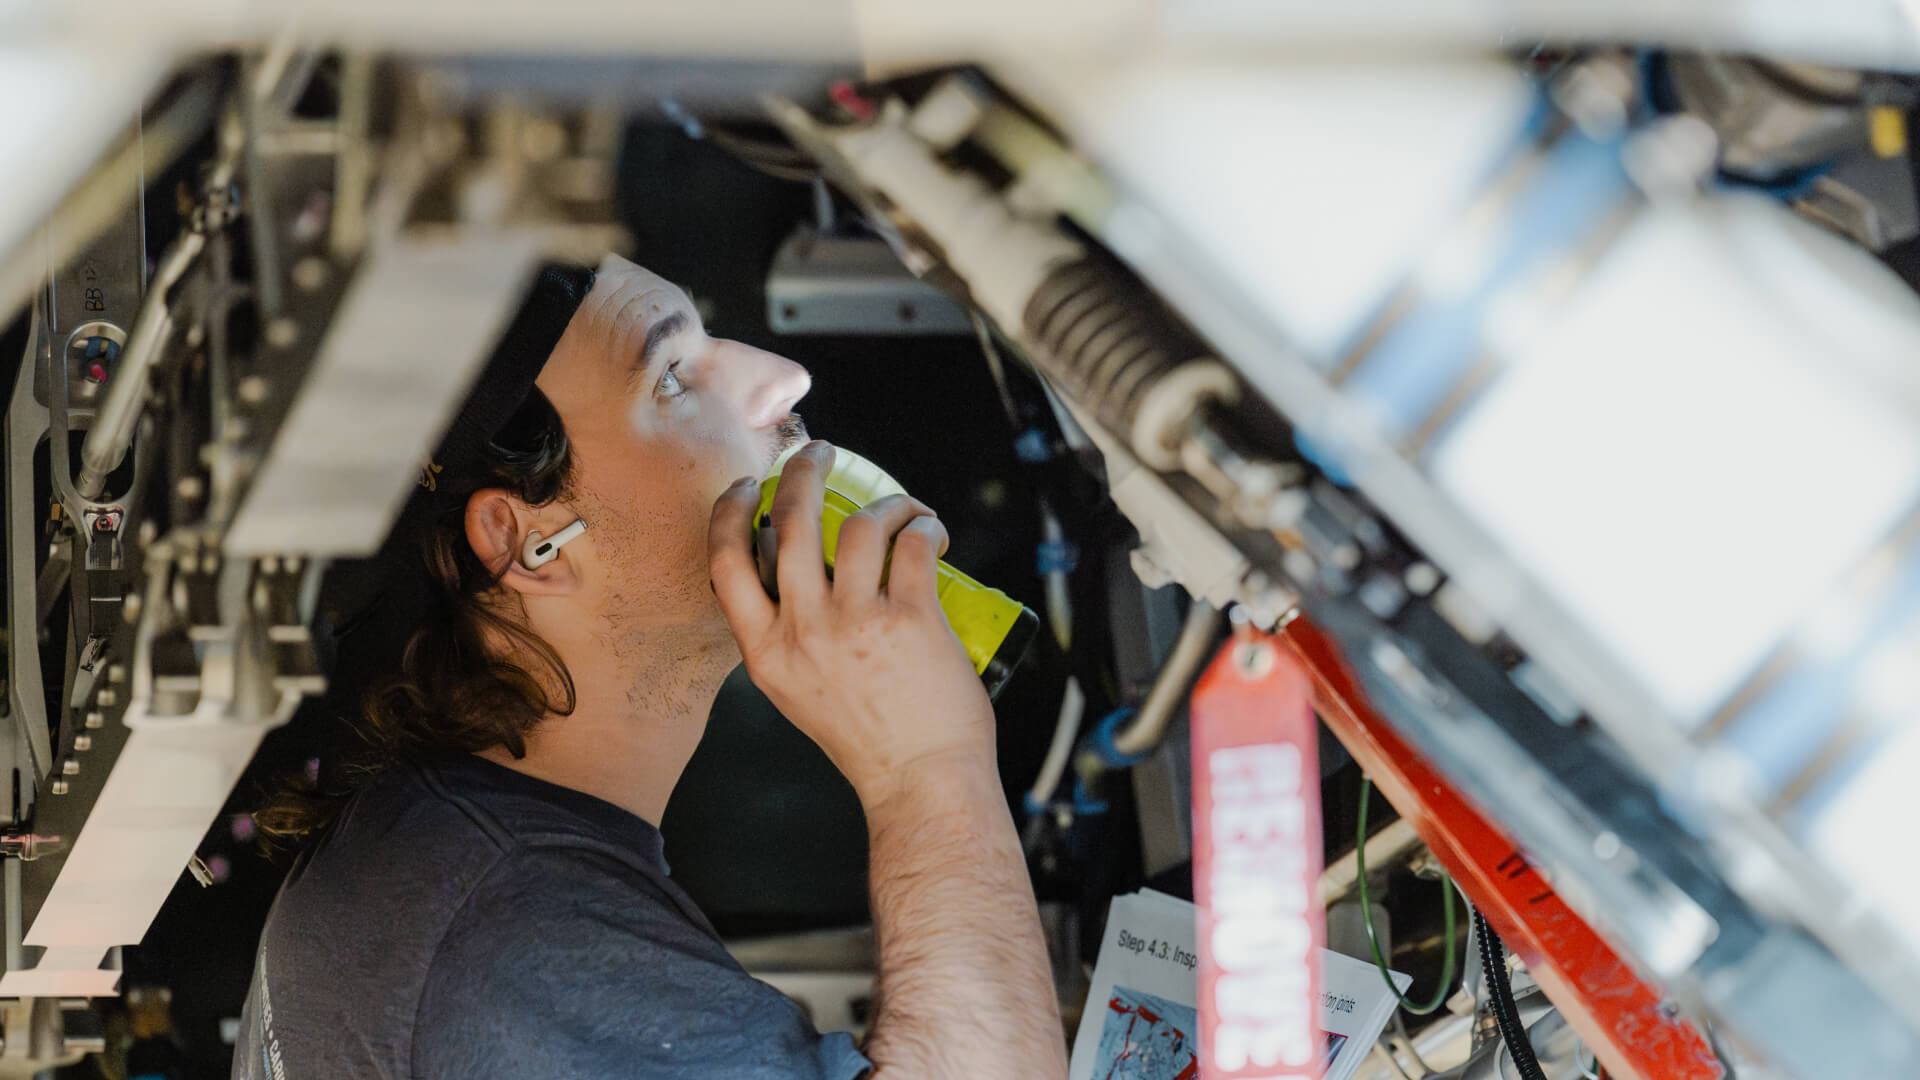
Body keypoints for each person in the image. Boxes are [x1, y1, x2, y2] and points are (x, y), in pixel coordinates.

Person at [234, 253, 1066, 1079]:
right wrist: (927, 769)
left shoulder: (450, 860)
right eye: (670, 377)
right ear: (526, 543)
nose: (785, 378)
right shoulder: (521, 937)